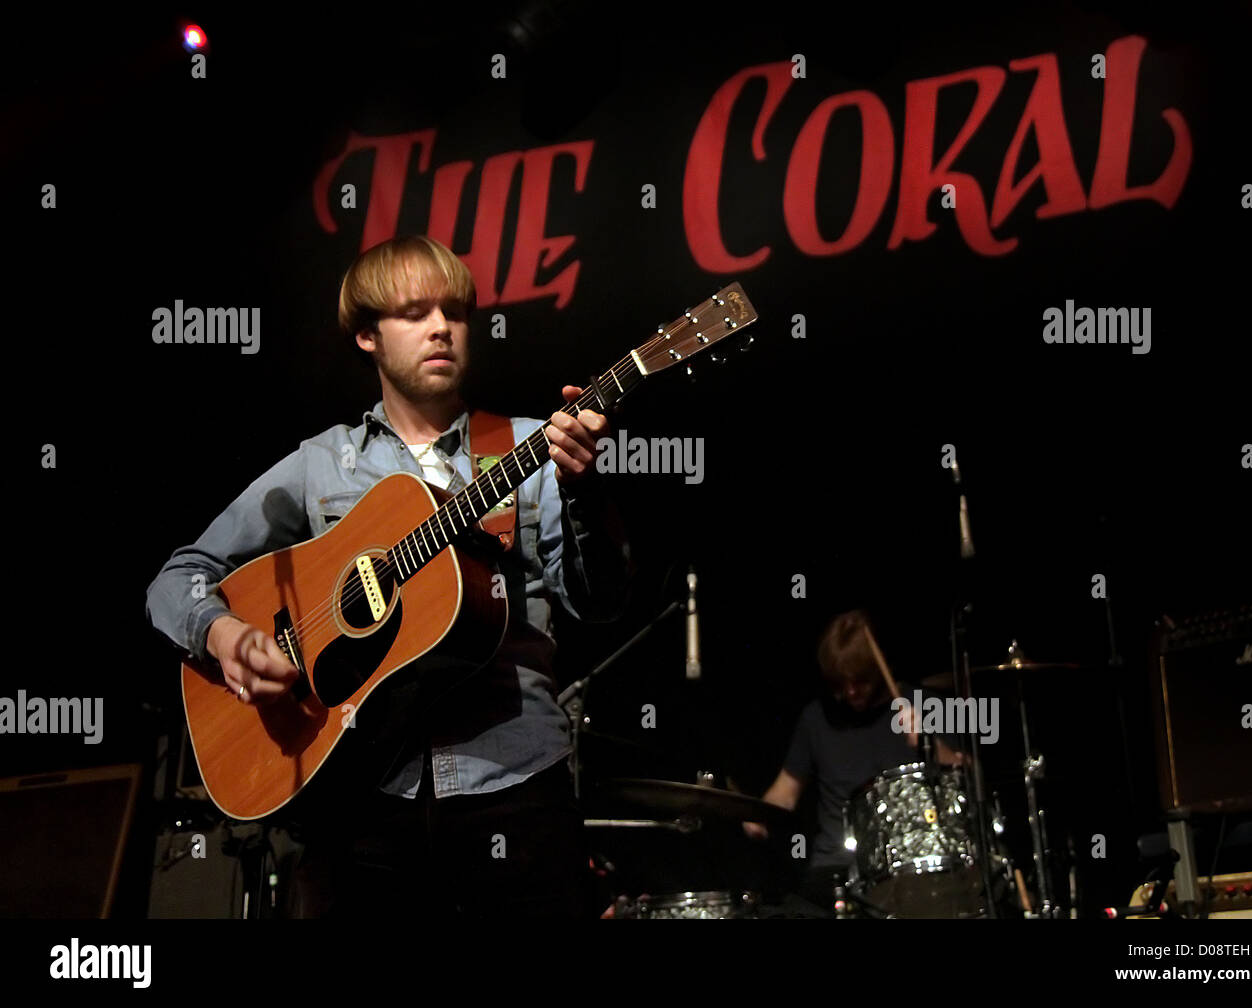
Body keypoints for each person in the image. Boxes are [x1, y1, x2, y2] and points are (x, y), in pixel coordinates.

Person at [146, 234, 632, 918]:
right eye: (413, 312)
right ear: (367, 335)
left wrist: (584, 492)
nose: (441, 327)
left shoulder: (531, 446)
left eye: (455, 312)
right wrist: (223, 634)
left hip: (517, 794)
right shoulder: (324, 465)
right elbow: (178, 577)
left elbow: (601, 605)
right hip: (362, 800)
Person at [743, 609, 964, 913]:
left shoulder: (921, 704)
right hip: (834, 870)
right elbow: (786, 791)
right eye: (840, 683)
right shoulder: (816, 717)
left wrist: (931, 742)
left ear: (876, 667)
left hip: (908, 864)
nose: (849, 691)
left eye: (859, 680)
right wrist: (756, 815)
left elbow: (967, 777)